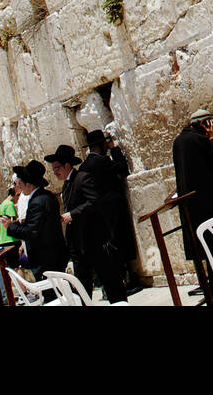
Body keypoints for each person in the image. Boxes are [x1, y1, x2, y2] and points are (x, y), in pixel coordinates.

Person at [49, 143, 127, 303]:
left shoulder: (82, 178)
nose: (54, 172)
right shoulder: (66, 186)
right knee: (82, 284)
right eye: (53, 169)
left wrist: (72, 214)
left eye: (57, 168)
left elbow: (95, 201)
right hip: (79, 244)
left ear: (67, 165)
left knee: (109, 279)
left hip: (94, 240)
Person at [173, 109, 213, 278]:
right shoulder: (200, 140)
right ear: (204, 124)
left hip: (190, 204)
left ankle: (212, 282)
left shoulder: (178, 141)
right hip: (207, 201)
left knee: (203, 243)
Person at [0, 161, 67, 290]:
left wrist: (10, 226)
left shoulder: (36, 202)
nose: (20, 186)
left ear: (29, 184)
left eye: (21, 183)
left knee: (53, 296)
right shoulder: (48, 196)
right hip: (55, 254)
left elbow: (31, 231)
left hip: (45, 259)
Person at [88, 129, 140, 289]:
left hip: (100, 211)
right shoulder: (102, 161)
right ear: (101, 145)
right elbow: (123, 168)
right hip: (113, 209)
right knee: (120, 243)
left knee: (112, 245)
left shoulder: (87, 164)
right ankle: (126, 282)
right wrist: (114, 148)